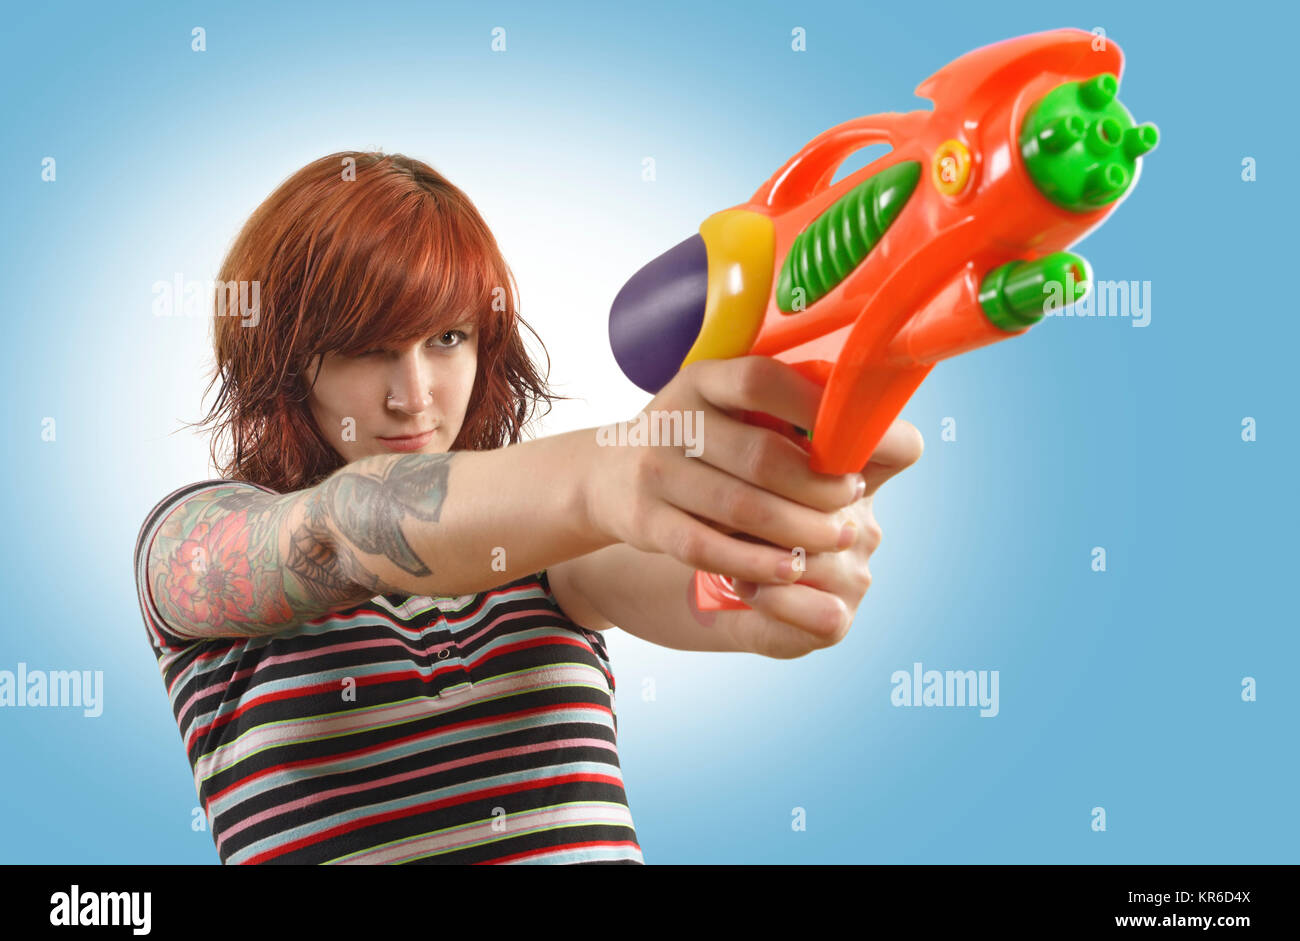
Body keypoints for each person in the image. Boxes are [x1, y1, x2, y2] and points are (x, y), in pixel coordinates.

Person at [132, 150, 923, 865]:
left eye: (447, 338)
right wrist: (603, 473)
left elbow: (685, 570)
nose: (414, 395)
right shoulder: (190, 542)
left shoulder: (550, 545)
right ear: (279, 359)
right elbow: (340, 530)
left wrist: (779, 546)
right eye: (367, 349)